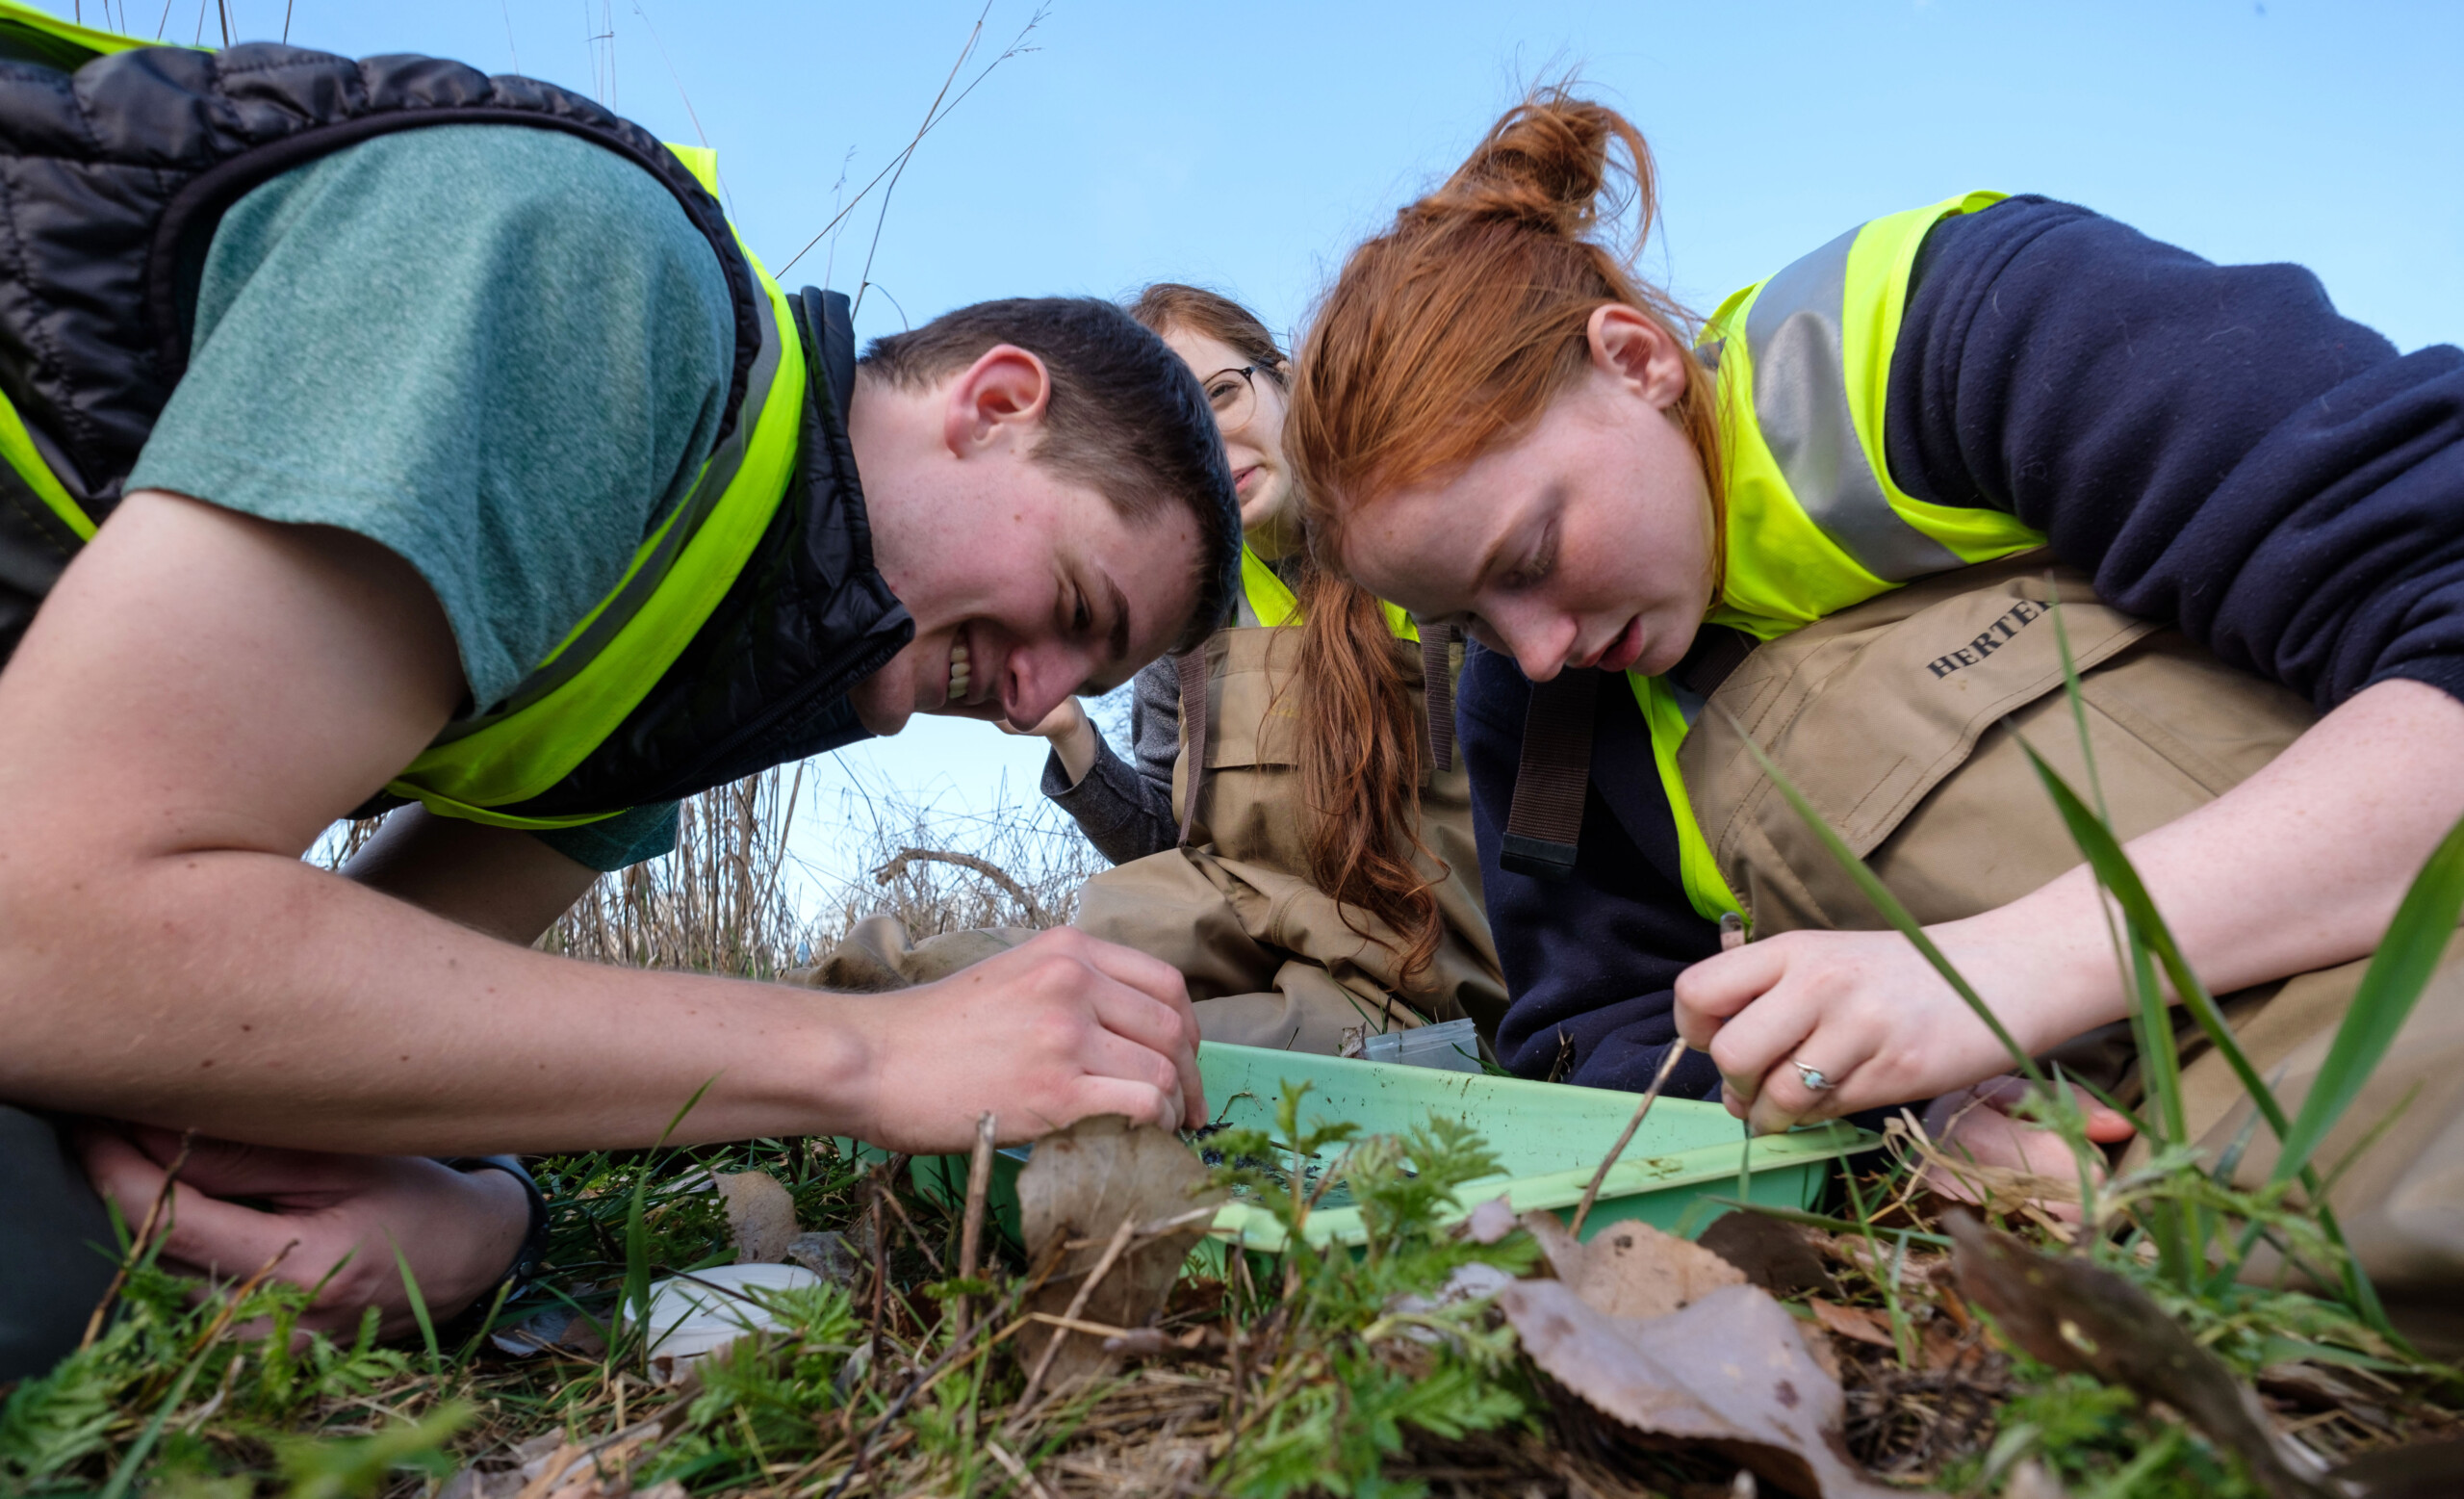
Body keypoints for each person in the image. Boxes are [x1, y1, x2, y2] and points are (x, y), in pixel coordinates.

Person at [0, 12, 1240, 1380]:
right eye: (1075, 610)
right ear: (997, 403)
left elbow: (274, 1045)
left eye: (1090, 680)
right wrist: (869, 1054)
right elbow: (45, 936)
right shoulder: (599, 277)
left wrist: (484, 1219)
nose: (1032, 704)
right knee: (55, 1279)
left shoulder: (680, 688)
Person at [1283, 90, 2464, 1331]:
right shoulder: (1541, 710)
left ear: (1634, 363)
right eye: (1470, 622)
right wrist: (1911, 1120)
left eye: (1528, 555)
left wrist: (1996, 975)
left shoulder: (1957, 325)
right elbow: (1603, 1036)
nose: (1532, 655)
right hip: (2131, 1134)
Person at [1010, 286, 1506, 1051]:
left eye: (1223, 394)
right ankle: (844, 1020)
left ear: (1282, 378)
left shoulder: (1421, 537)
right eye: (1171, 435)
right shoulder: (1192, 623)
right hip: (1253, 936)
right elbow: (1170, 851)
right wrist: (1071, 733)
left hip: (1422, 979)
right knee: (1036, 971)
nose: (1209, 442)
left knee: (1113, 1042)